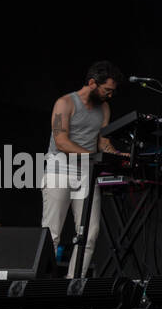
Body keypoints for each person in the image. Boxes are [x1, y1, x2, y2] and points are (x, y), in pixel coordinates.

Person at [42, 61, 125, 277]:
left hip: (87, 172)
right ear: (91, 83)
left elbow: (102, 141)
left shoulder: (104, 107)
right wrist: (95, 156)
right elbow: (61, 142)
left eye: (112, 92)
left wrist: (116, 155)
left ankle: (73, 284)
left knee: (88, 234)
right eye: (107, 90)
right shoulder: (64, 103)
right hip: (59, 170)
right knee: (52, 234)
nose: (110, 96)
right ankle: (41, 287)